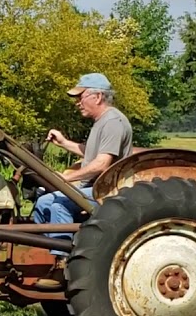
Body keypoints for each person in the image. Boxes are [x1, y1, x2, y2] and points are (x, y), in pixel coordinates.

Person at [31, 72, 133, 289]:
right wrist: (64, 143)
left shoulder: (113, 122)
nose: (77, 103)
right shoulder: (101, 122)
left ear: (97, 97)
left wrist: (66, 178)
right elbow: (92, 153)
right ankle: (46, 256)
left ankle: (62, 265)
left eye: (81, 96)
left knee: (58, 202)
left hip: (107, 193)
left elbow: (101, 164)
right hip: (95, 188)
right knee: (42, 201)